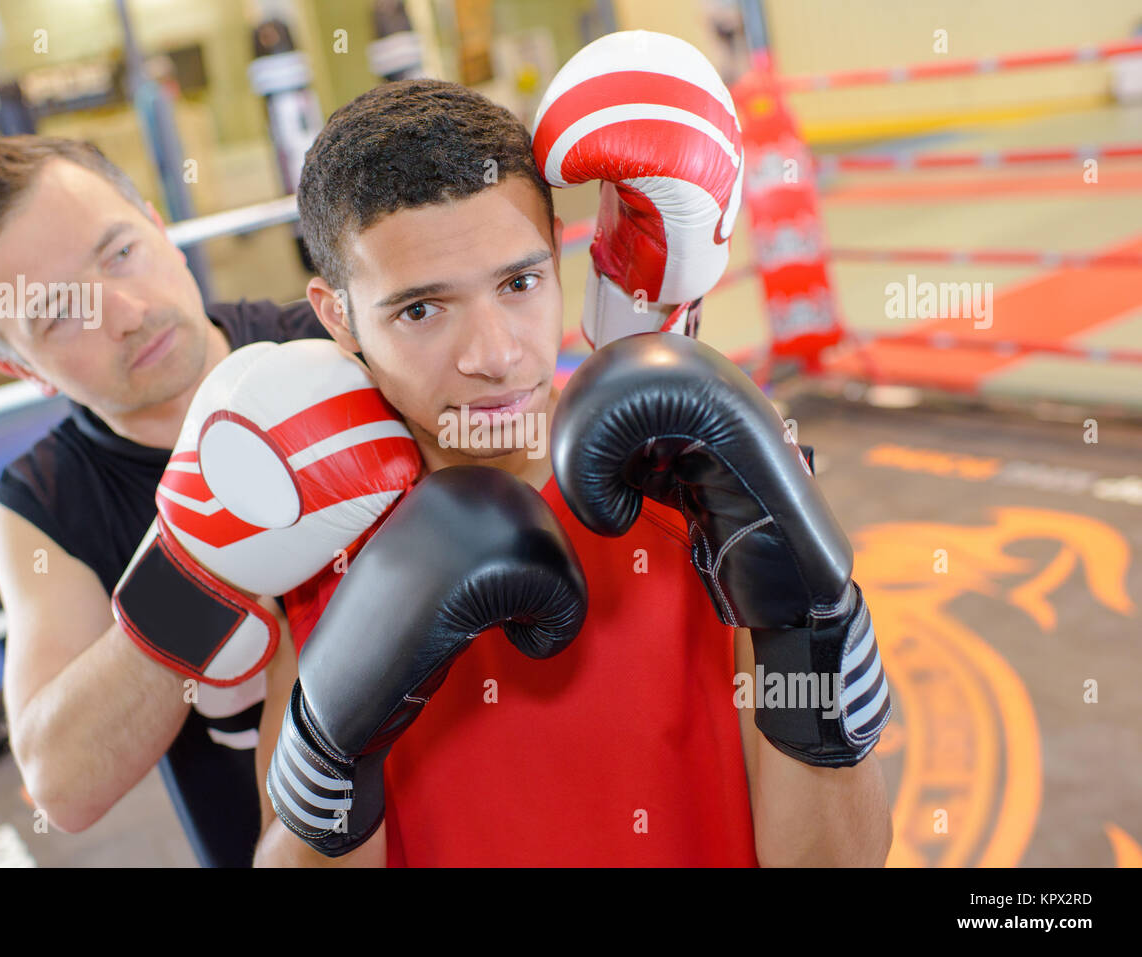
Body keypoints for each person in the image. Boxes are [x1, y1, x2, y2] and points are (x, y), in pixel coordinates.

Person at [250, 75, 894, 867]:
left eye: (518, 284)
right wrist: (330, 756)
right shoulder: (319, 545)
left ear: (559, 256)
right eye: (421, 309)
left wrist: (811, 627)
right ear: (336, 315)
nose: (494, 356)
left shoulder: (694, 489)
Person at [0, 136, 331, 867]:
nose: (127, 313)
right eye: (58, 315)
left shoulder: (335, 341)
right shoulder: (47, 504)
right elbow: (60, 785)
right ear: (21, 368)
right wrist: (205, 552)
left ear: (159, 228)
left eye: (119, 254)